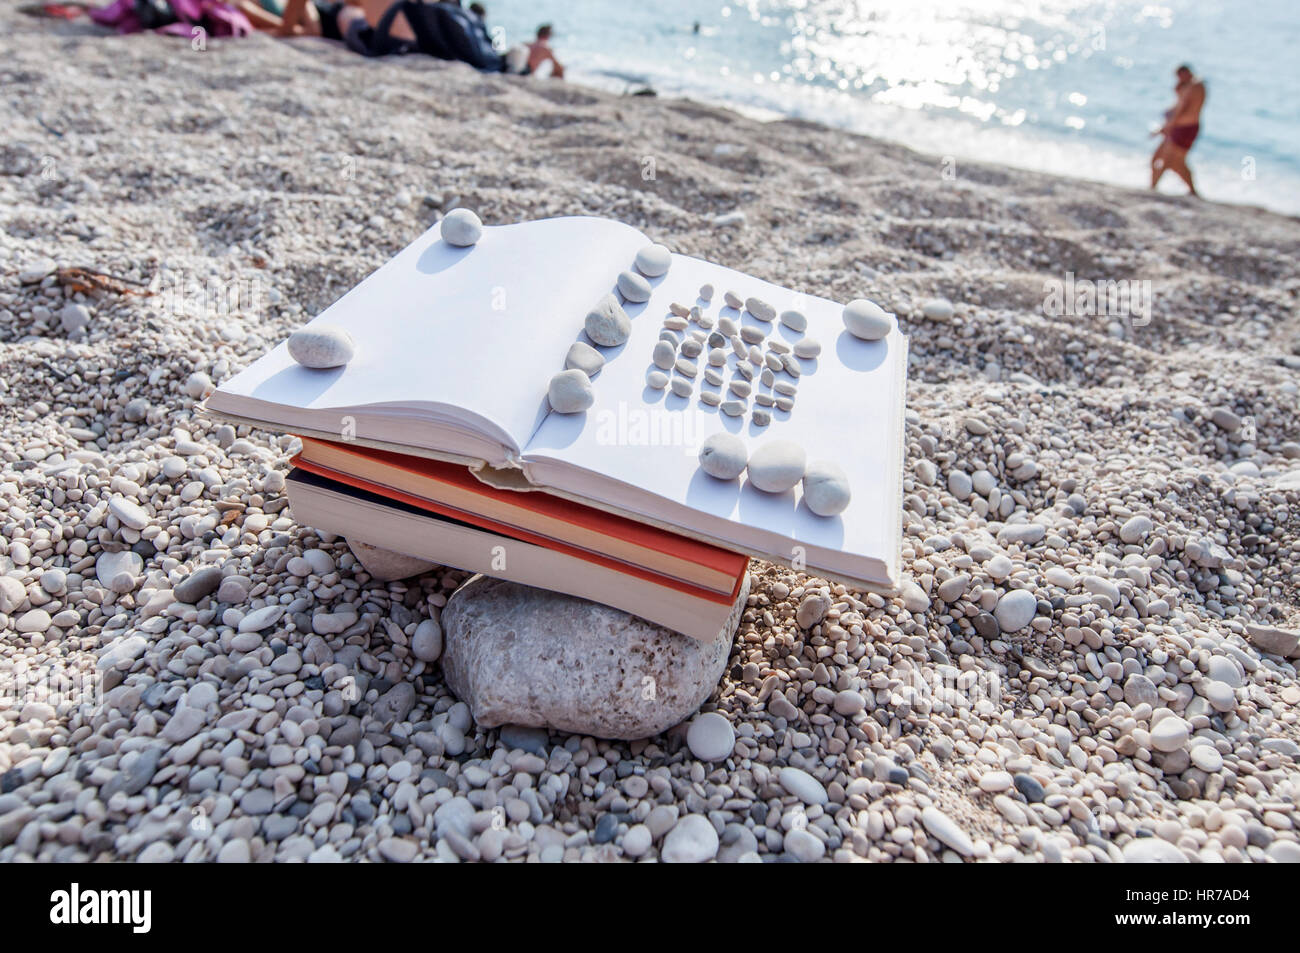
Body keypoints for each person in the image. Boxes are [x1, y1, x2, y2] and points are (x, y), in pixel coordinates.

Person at [1150, 64, 1205, 197]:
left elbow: (1182, 110)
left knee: (1172, 161)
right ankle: (1153, 187)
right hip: (1177, 127)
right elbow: (1179, 107)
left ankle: (1154, 188)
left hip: (1185, 128)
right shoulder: (1188, 87)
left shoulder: (1194, 86)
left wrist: (1166, 127)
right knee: (1162, 159)